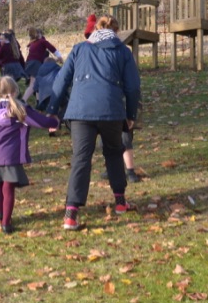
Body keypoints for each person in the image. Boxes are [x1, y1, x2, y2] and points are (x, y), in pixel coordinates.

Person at [47, 14, 140, 231]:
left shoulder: (80, 49)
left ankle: (71, 214)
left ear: (95, 29)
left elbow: (61, 80)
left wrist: (53, 111)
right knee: (114, 153)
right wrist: (131, 114)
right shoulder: (122, 52)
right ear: (116, 32)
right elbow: (133, 86)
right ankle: (120, 203)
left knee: (81, 159)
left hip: (80, 111)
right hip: (111, 110)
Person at [0, 77, 58, 234]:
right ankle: (6, 222)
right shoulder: (20, 109)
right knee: (8, 187)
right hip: (11, 154)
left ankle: (1, 215)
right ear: (14, 92)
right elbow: (41, 122)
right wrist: (54, 122)